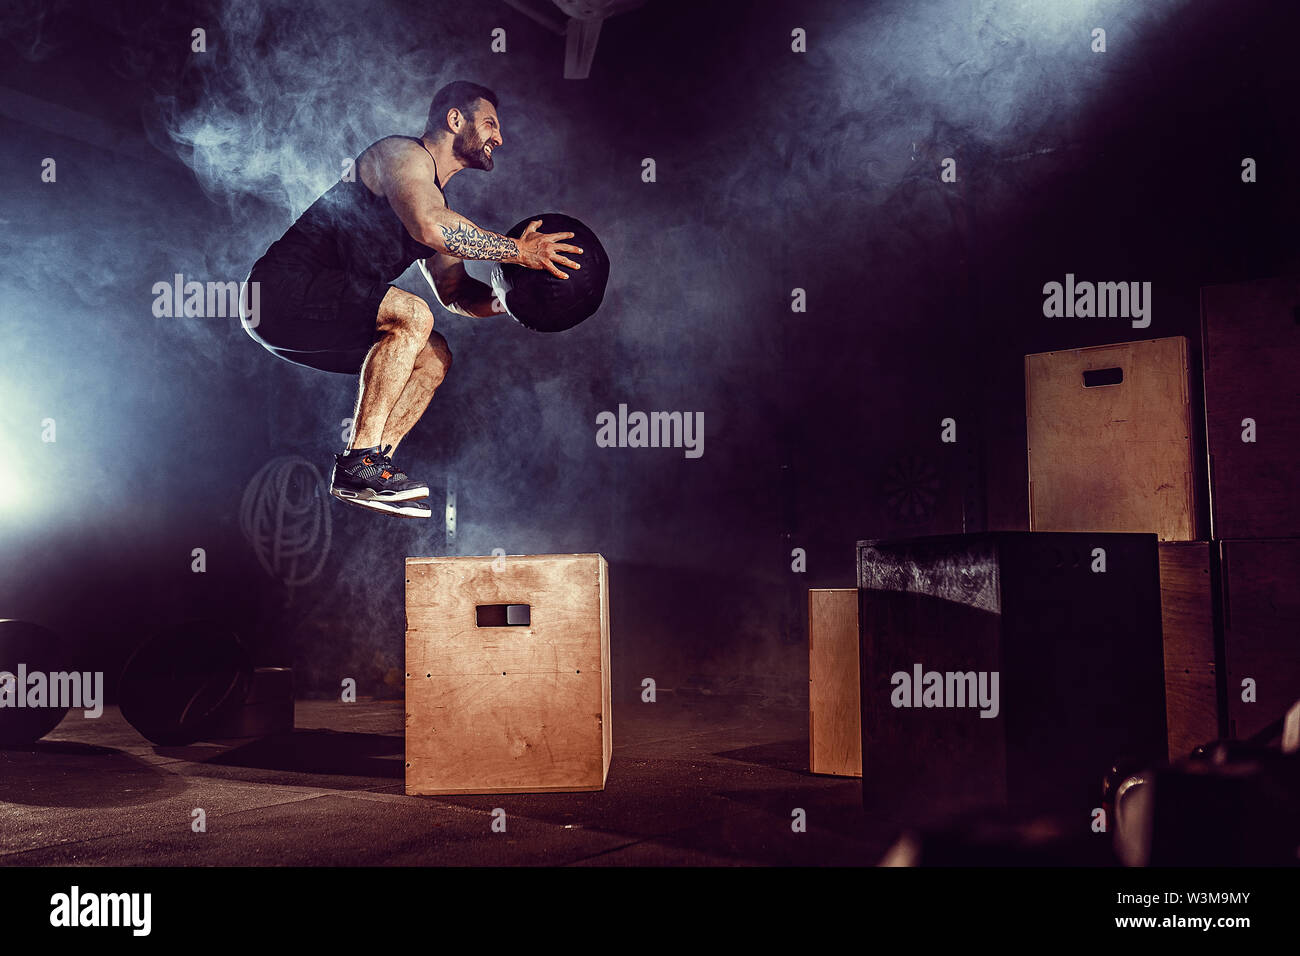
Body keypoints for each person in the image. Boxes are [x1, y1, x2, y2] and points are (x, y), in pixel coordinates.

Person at [241, 81, 582, 516]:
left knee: (433, 353)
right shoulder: (400, 156)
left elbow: (455, 293)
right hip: (277, 291)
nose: (500, 138)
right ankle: (359, 463)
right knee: (410, 314)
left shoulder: (436, 201)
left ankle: (371, 469)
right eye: (491, 124)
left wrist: (514, 300)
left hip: (308, 316)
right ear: (454, 119)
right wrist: (520, 251)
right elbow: (429, 226)